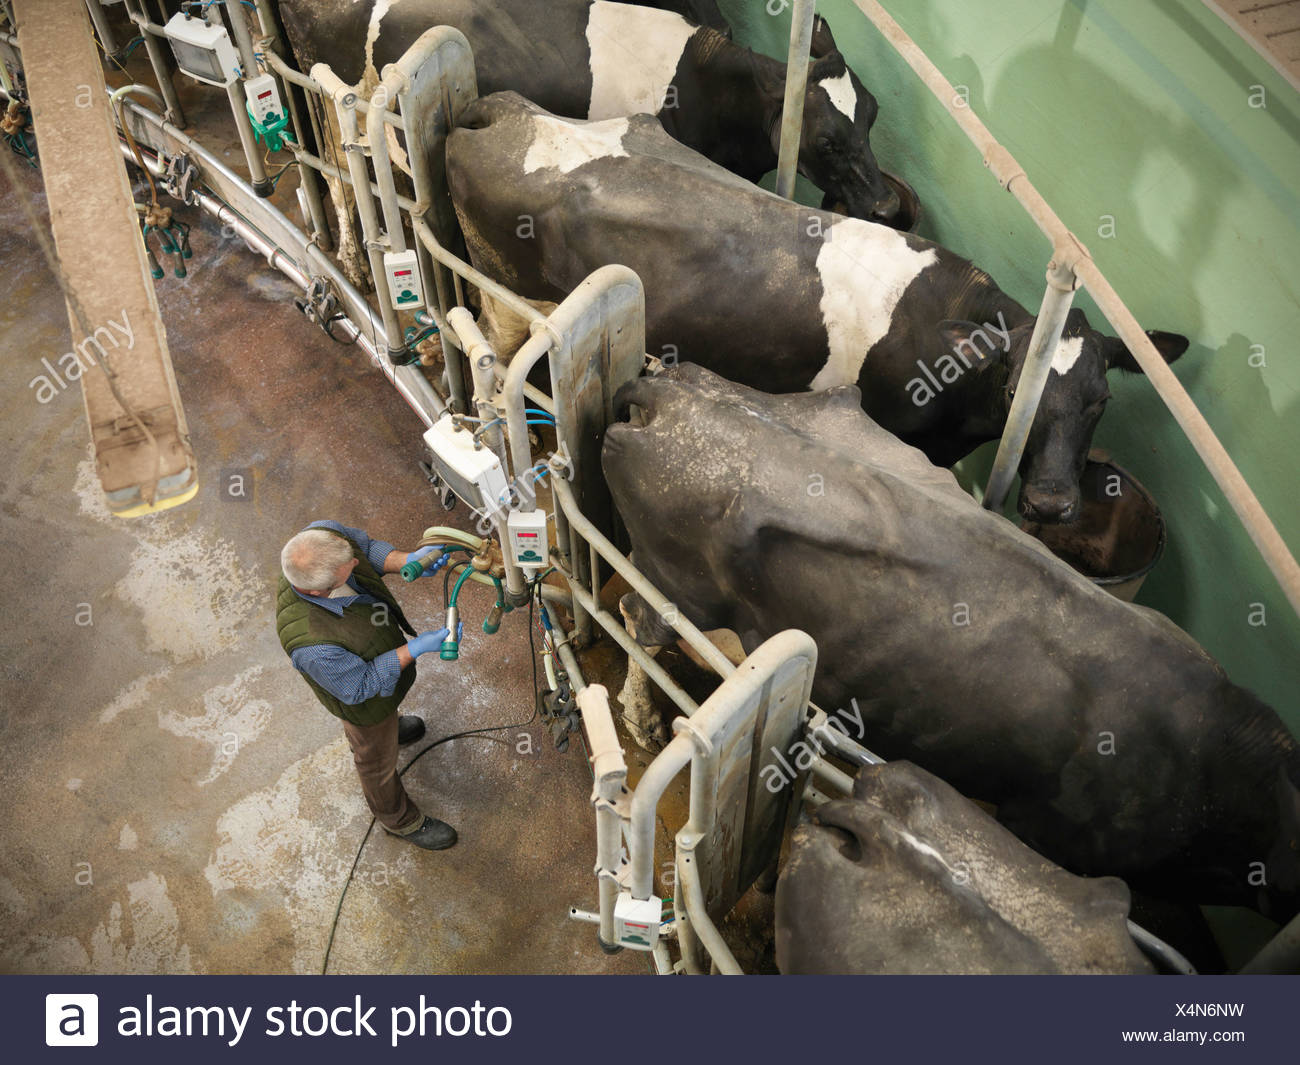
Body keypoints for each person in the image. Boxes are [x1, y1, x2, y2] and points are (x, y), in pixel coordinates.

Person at [275, 519, 460, 850]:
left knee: (387, 709)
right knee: (375, 760)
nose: (357, 565)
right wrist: (415, 648)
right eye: (349, 571)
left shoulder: (322, 535)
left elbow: (365, 549)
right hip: (363, 703)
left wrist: (407, 559)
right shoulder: (313, 645)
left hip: (371, 652)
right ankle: (399, 821)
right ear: (318, 591)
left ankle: (393, 725)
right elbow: (360, 687)